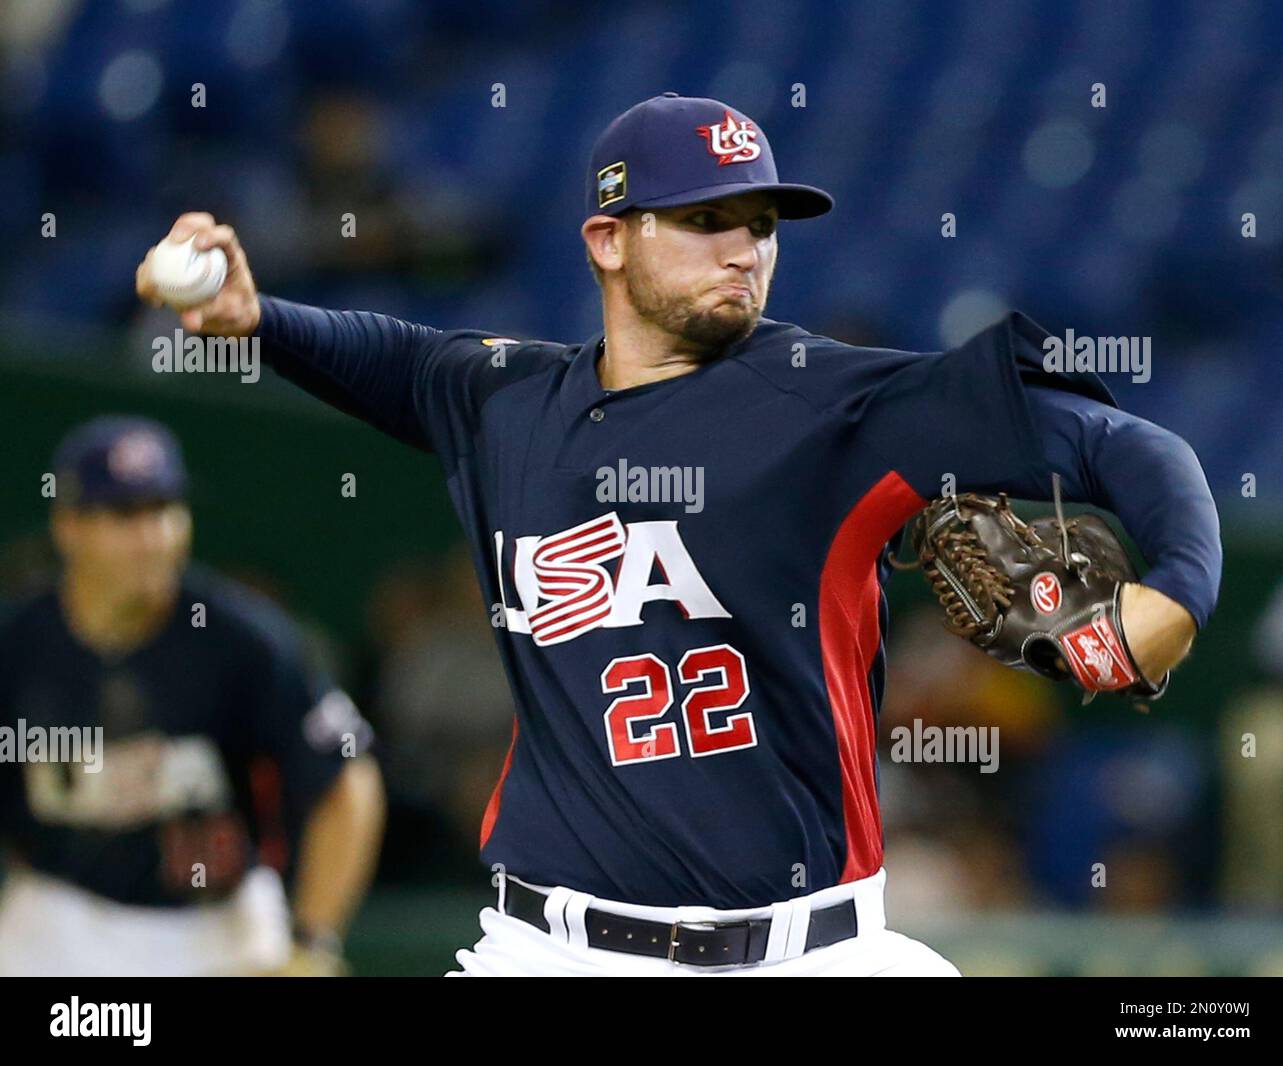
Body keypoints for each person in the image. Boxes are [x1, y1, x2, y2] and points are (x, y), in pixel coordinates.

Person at [134, 93, 1221, 976]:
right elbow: (389, 354)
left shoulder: (833, 402)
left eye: (759, 223)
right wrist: (256, 317)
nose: (743, 247)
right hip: (549, 951)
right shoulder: (503, 403)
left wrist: (1173, 589)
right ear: (607, 240)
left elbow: (1120, 445)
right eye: (704, 220)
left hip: (809, 954)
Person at [0, 416, 385, 976]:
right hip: (58, 918)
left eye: (164, 510)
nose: (151, 536)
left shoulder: (241, 637)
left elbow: (349, 777)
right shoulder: (20, 642)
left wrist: (313, 941)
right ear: (68, 525)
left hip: (217, 927)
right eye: (124, 515)